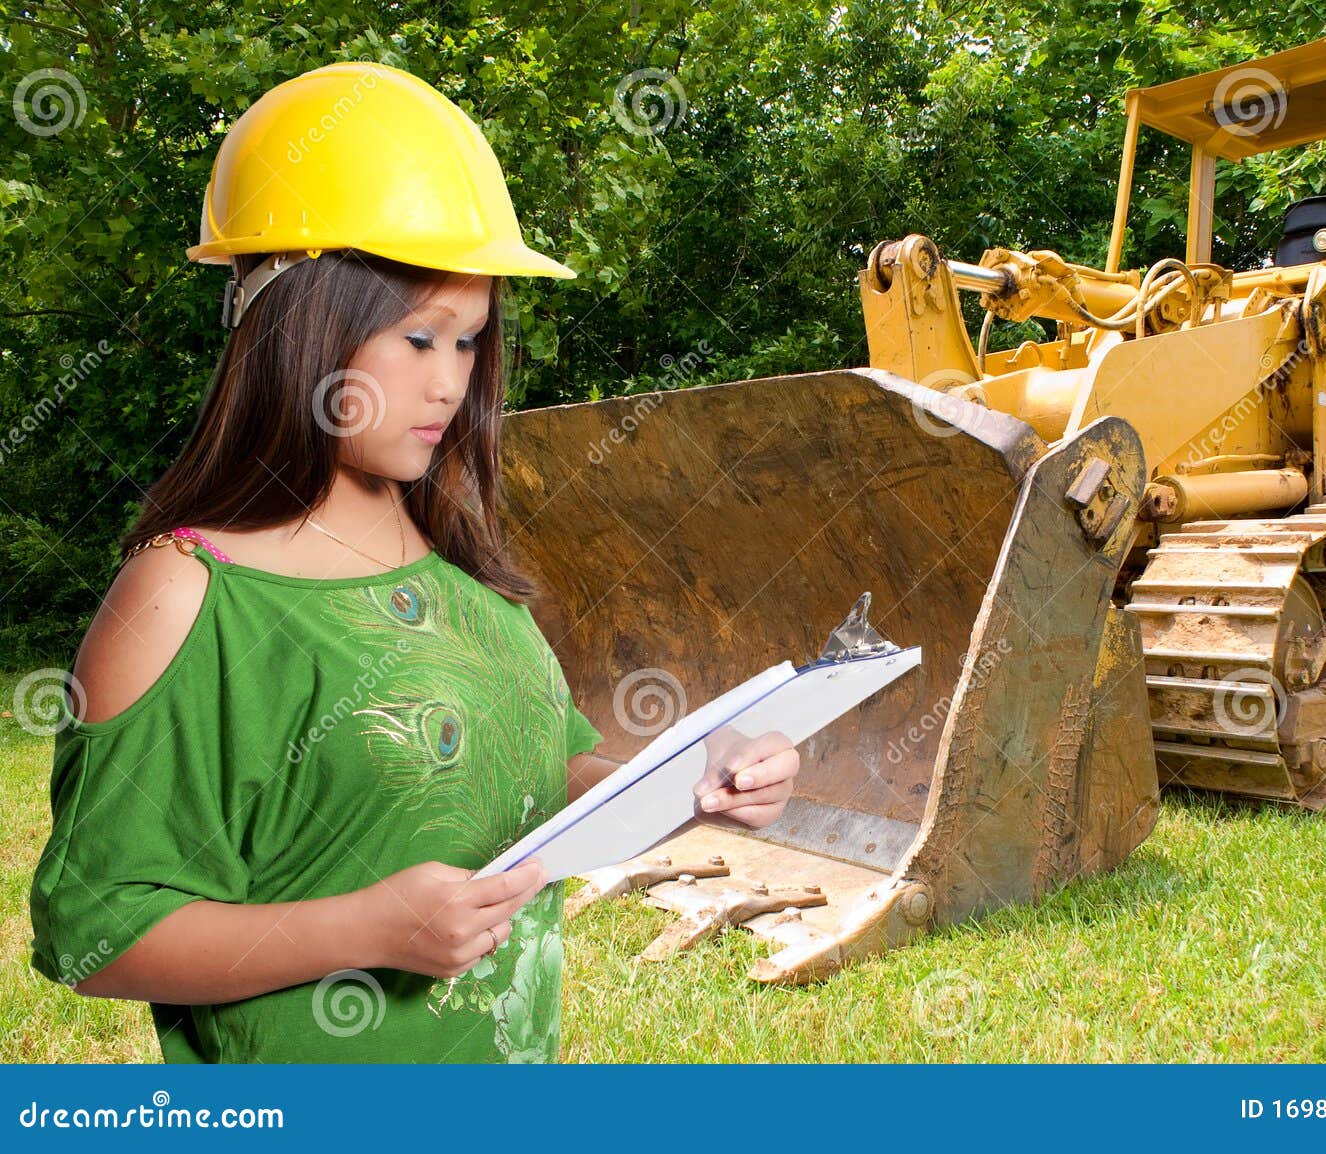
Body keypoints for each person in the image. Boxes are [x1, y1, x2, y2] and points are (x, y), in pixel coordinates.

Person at [26, 61, 800, 1064]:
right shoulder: (186, 594)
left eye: (469, 342)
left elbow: (546, 779)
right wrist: (368, 932)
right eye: (419, 337)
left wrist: (693, 782)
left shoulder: (461, 568)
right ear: (301, 326)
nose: (449, 383)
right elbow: (93, 928)